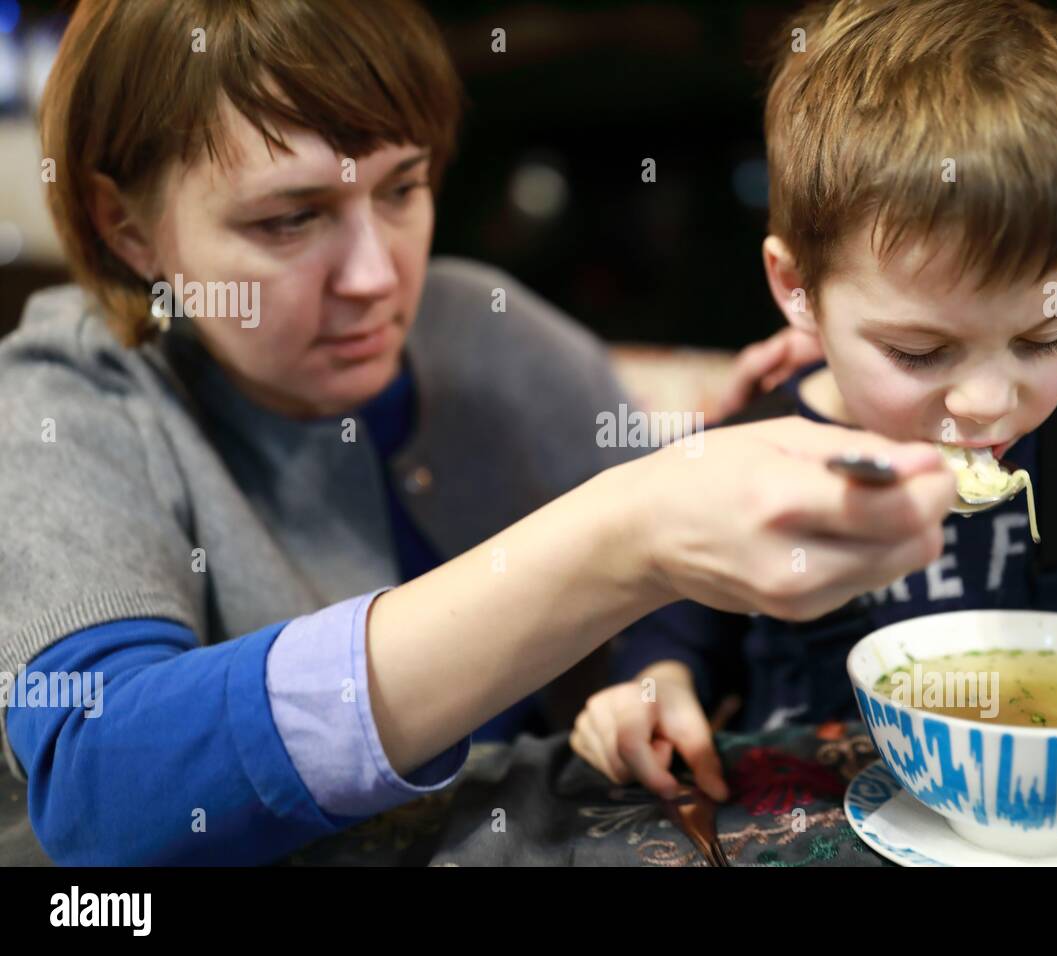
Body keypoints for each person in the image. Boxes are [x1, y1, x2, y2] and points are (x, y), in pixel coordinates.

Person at [0, 0, 955, 865]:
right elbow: (100, 788)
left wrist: (725, 439)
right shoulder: (65, 404)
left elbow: (661, 572)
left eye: (402, 189)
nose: (376, 276)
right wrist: (625, 534)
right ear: (123, 225)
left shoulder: (477, 322)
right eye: (291, 220)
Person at [572, 0, 1057, 803]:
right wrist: (656, 683)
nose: (985, 403)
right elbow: (678, 618)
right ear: (798, 291)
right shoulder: (756, 449)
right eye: (919, 352)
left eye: (1043, 337)